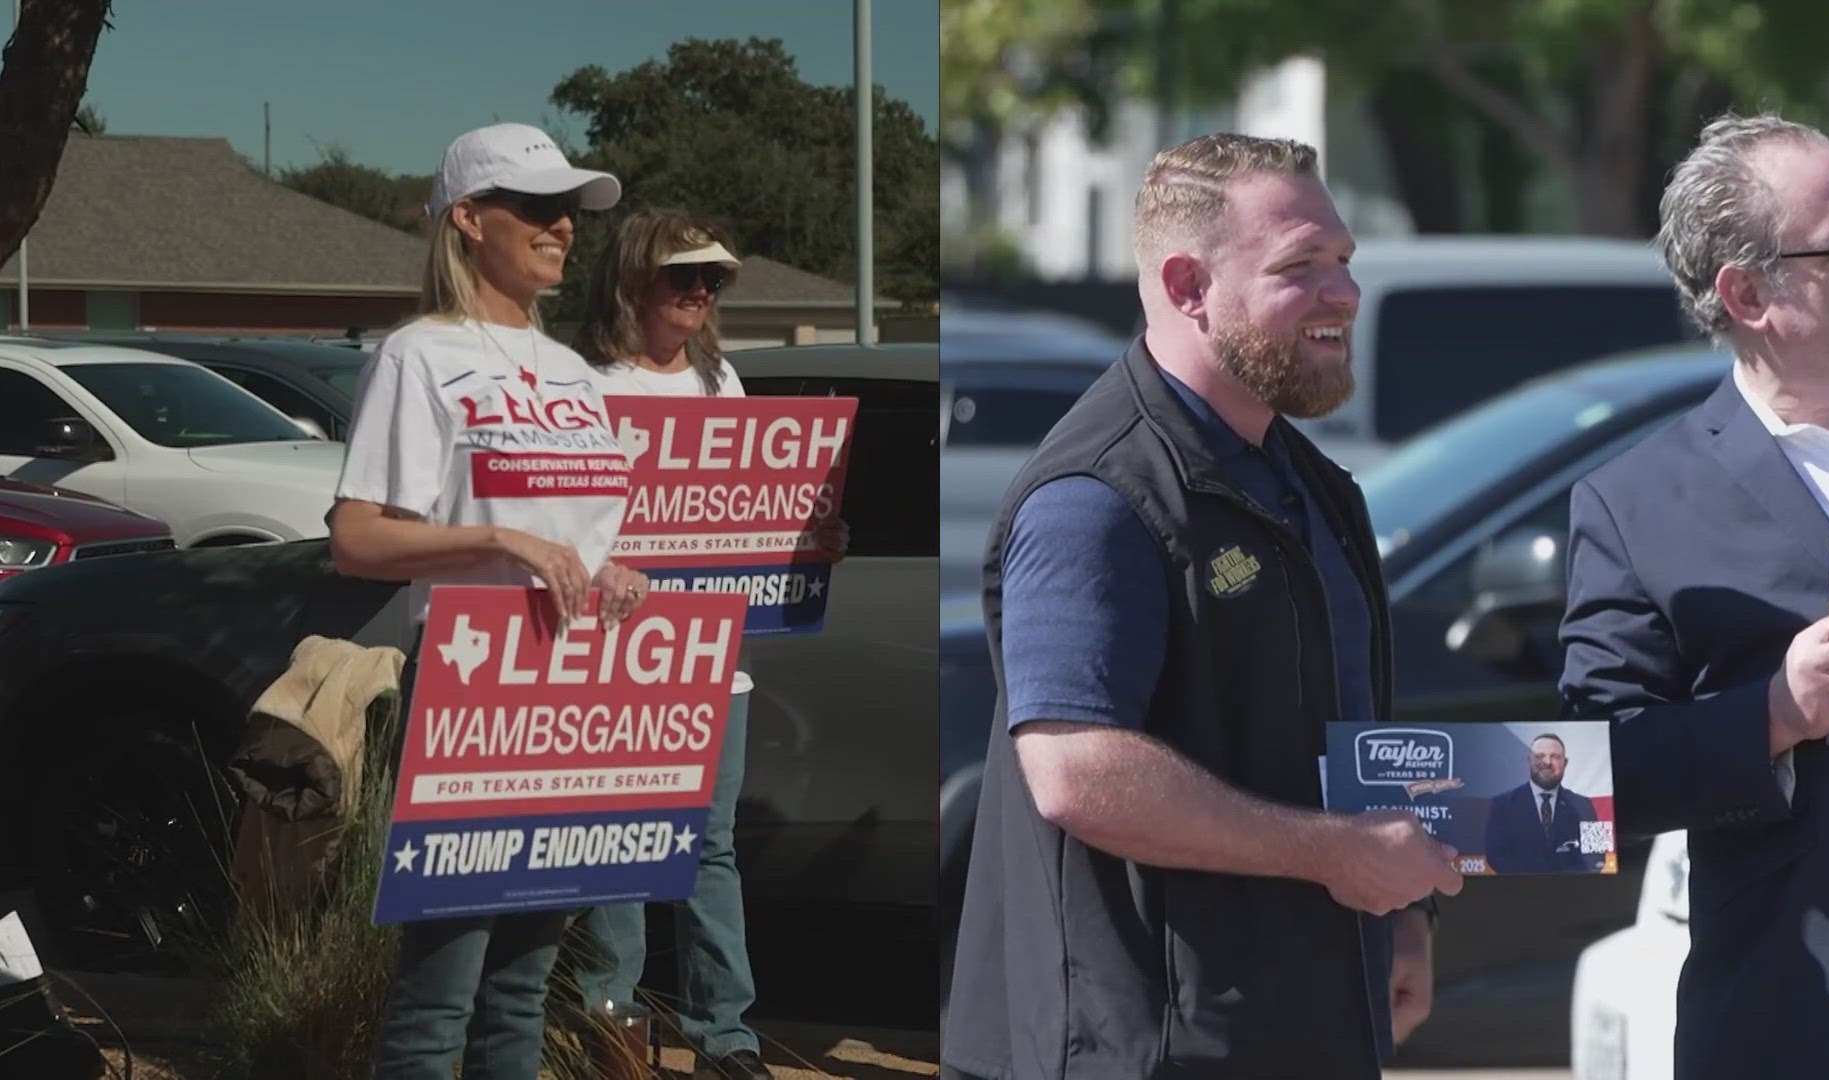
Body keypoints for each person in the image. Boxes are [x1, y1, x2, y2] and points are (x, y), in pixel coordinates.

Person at [942, 132, 1462, 1080]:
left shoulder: (1311, 485)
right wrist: (1335, 854)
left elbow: (1346, 729)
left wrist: (1405, 915)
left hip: (1301, 1030)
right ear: (1189, 286)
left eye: (1343, 260)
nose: (1344, 293)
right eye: (1300, 266)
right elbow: (1074, 770)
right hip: (1148, 1048)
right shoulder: (1097, 496)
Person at [1559, 114, 1829, 1078]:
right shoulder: (1637, 504)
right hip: (1806, 1018)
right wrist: (1776, 711)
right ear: (1748, 294)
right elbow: (1597, 774)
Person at [329, 121, 649, 1079]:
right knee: (441, 994)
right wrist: (500, 540)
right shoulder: (417, 354)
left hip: (575, 698)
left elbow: (584, 537)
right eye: (539, 206)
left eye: (570, 210)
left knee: (522, 989)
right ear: (468, 219)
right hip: (470, 698)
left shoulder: (574, 372)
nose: (564, 226)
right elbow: (357, 539)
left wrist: (612, 570)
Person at [563, 209, 847, 1080]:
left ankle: (725, 1039)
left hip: (718, 660)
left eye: (712, 280)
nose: (699, 293)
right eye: (682, 276)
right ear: (632, 280)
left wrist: (812, 539)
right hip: (609, 654)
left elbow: (749, 514)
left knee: (708, 846)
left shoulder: (721, 381)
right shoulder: (582, 383)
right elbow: (556, 517)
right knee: (614, 841)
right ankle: (611, 1030)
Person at [1482, 734, 1603, 873]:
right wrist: (1533, 881)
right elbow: (1495, 856)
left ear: (1565, 763)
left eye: (1555, 757)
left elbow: (1597, 855)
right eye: (1540, 756)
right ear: (1529, 760)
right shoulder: (1502, 805)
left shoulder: (1584, 805)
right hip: (1520, 885)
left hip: (1571, 885)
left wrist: (1564, 882)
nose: (1547, 762)